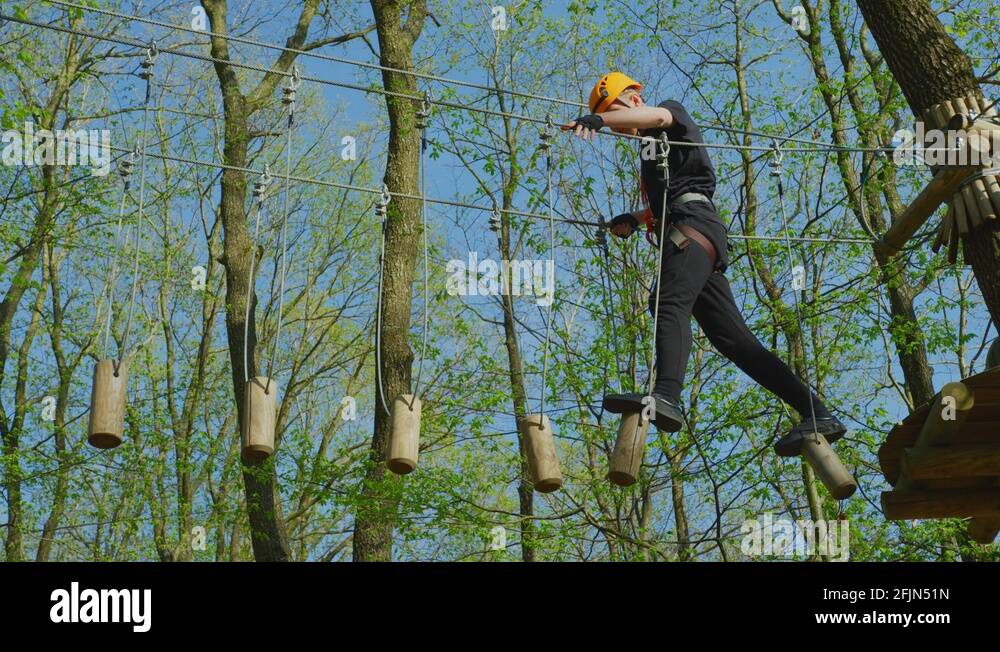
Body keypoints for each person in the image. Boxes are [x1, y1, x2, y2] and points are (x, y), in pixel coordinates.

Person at [562, 72, 846, 457]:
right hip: (690, 231)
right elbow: (675, 192)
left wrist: (596, 119)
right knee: (736, 343)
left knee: (665, 301)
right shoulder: (649, 148)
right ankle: (817, 412)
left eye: (615, 115)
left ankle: (666, 397)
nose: (619, 129)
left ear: (631, 99)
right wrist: (638, 217)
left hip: (693, 228)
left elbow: (661, 122)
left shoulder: (668, 114)